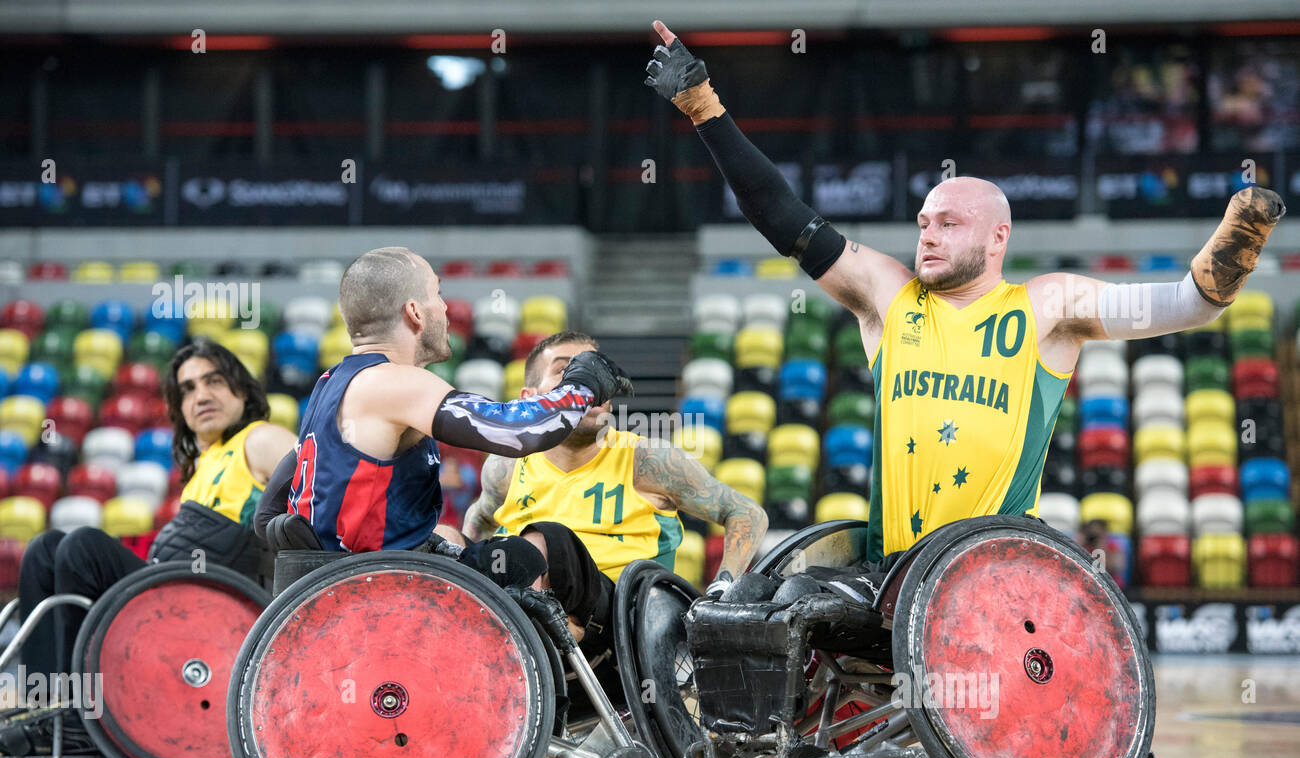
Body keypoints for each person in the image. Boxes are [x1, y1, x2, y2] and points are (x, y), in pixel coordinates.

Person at [645, 19, 1285, 589]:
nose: (927, 233)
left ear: (997, 236)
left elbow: (1187, 304)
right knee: (759, 604)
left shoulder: (1048, 305)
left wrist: (1235, 246)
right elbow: (782, 217)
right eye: (924, 221)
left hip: (991, 579)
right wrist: (705, 107)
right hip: (891, 576)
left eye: (948, 223)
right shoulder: (889, 295)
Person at [254, 247, 633, 605]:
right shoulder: (395, 382)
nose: (447, 307)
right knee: (550, 547)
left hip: (324, 586)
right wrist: (582, 384)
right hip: (375, 594)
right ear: (415, 311)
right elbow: (515, 432)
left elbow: (267, 514)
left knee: (467, 542)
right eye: (438, 293)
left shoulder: (327, 385)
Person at [2, 338, 296, 758]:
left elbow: (317, 493)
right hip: (169, 590)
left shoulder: (261, 439)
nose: (202, 395)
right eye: (188, 389)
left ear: (244, 391)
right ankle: (49, 705)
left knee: (82, 545)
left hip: (208, 608)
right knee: (45, 547)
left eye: (214, 382)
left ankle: (79, 718)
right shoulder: (206, 462)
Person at [461, 330, 769, 653]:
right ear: (528, 397)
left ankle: (532, 652)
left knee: (544, 541)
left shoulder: (646, 460)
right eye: (566, 371)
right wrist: (462, 544)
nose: (588, 382)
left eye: (596, 369)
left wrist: (722, 588)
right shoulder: (506, 467)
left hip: (619, 630)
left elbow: (746, 513)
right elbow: (479, 517)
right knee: (442, 540)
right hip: (518, 615)